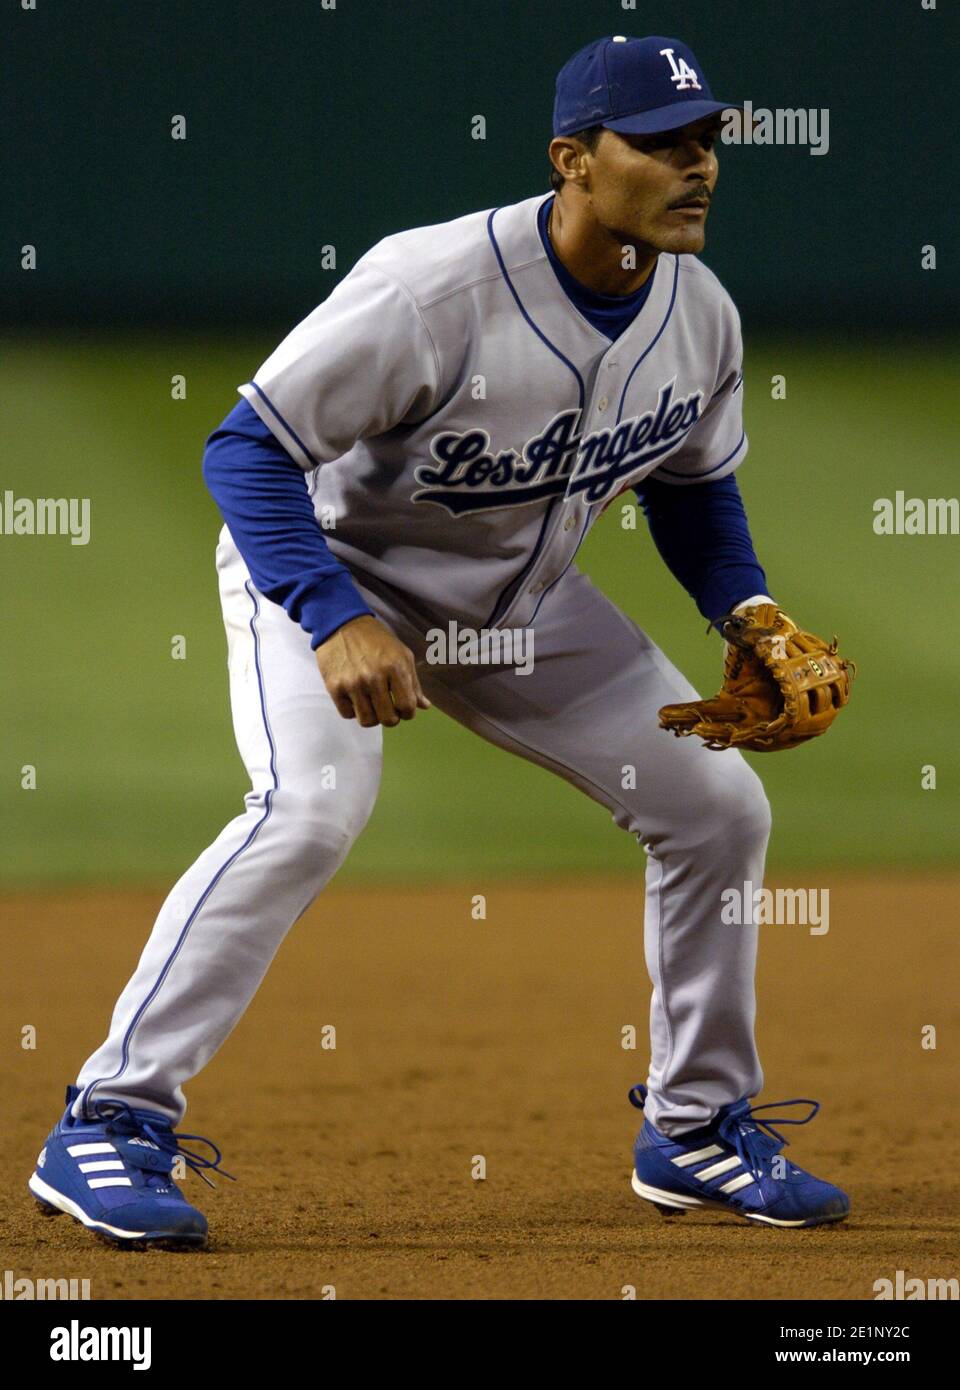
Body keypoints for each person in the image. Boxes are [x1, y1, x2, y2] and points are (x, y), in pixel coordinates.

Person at [28, 34, 849, 1248]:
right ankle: (110, 1113)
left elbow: (690, 488)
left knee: (719, 807)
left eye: (707, 140)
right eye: (663, 143)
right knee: (309, 806)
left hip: (519, 612)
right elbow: (245, 450)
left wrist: (753, 613)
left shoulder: (700, 312)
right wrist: (332, 614)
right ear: (572, 160)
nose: (699, 166)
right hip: (327, 573)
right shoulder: (432, 289)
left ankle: (696, 1129)